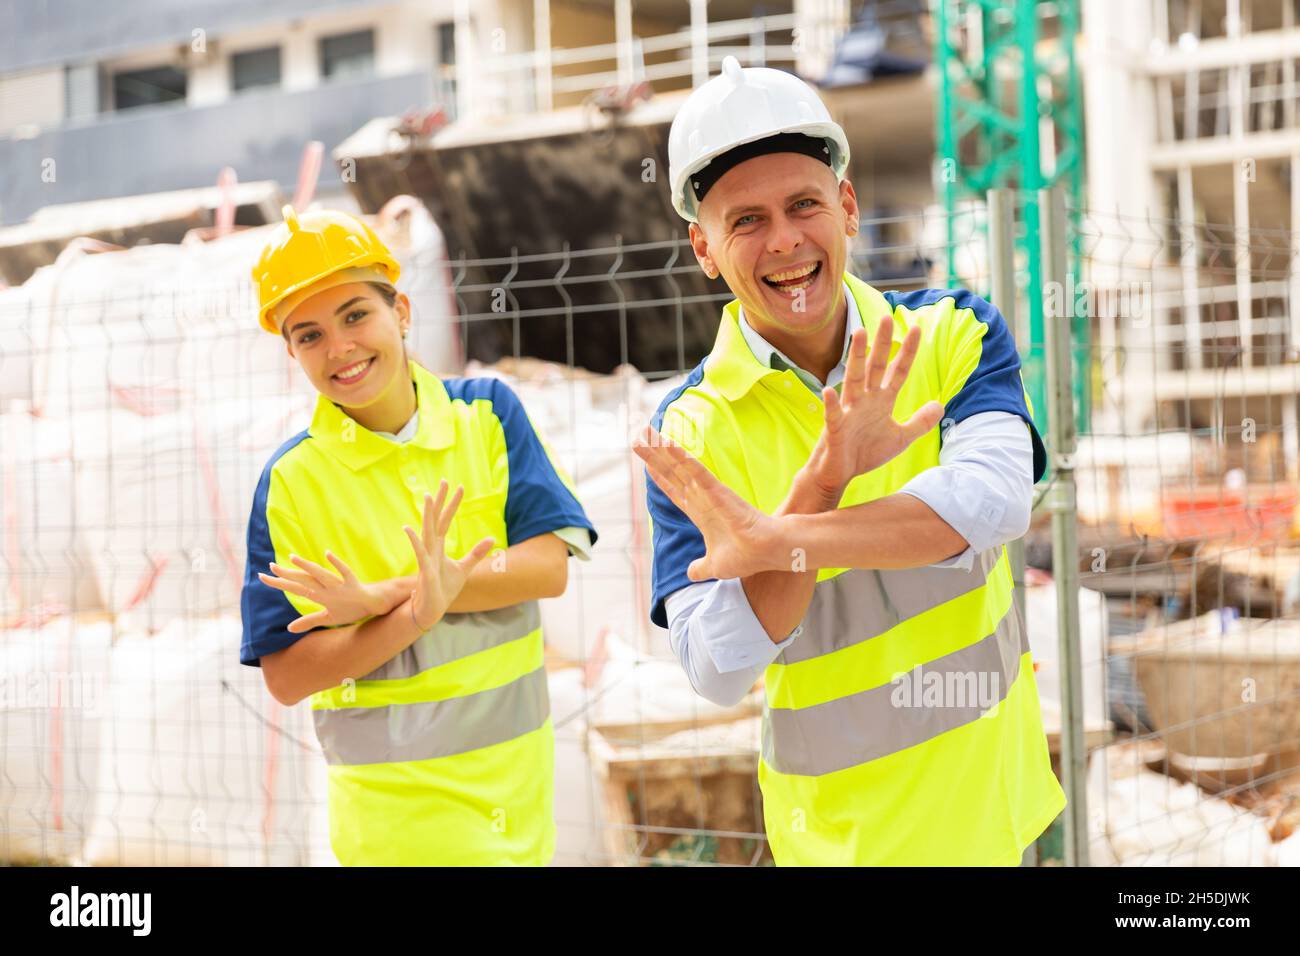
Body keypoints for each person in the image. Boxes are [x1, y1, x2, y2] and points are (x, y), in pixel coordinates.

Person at [634, 56, 1066, 865]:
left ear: (849, 206)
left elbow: (993, 505)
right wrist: (821, 482)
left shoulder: (951, 331)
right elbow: (717, 666)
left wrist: (773, 544)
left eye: (804, 204)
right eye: (746, 220)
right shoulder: (688, 432)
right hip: (833, 845)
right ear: (703, 248)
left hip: (989, 823)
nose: (786, 240)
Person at [239, 206, 597, 866]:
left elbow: (548, 567)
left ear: (401, 311)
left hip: (515, 817)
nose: (339, 347)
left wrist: (389, 594)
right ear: (291, 352)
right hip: (389, 835)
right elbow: (287, 678)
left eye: (355, 315)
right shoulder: (291, 481)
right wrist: (415, 614)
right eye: (310, 335)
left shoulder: (487, 412)